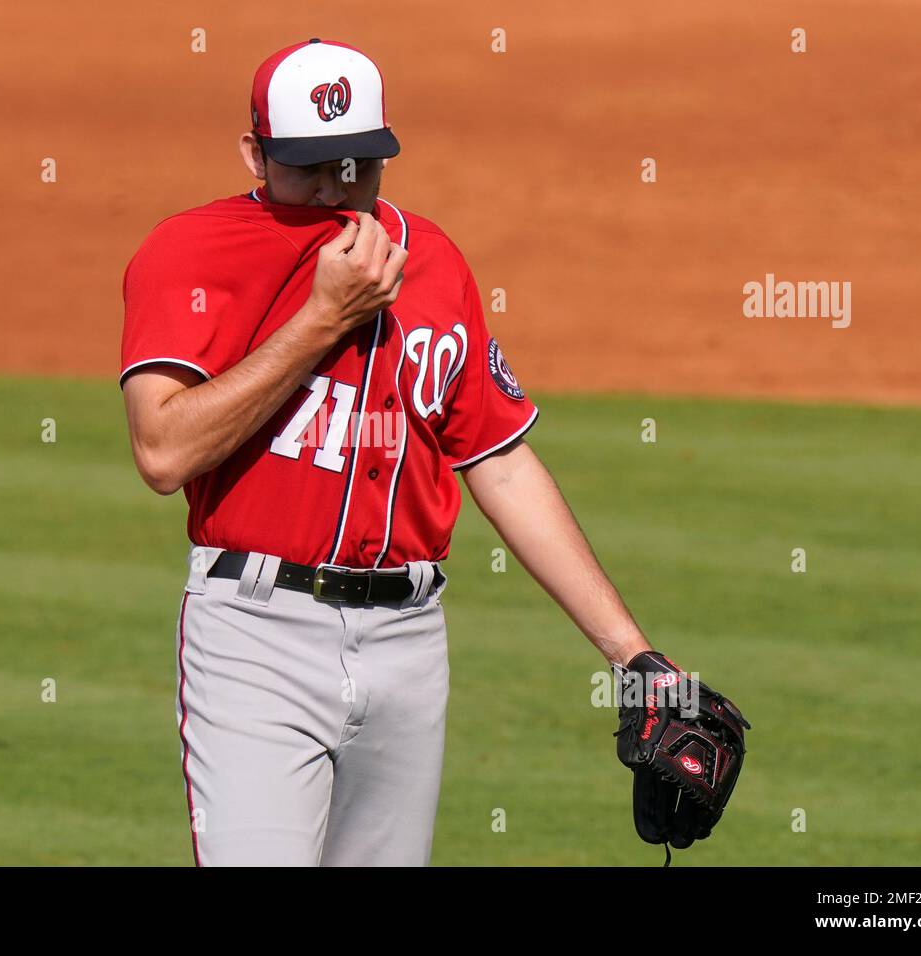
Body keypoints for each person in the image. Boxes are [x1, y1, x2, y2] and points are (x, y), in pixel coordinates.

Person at [119, 38, 653, 866]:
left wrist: (633, 655)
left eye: (358, 165)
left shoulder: (432, 260)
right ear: (254, 154)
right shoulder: (192, 253)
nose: (338, 189)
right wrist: (322, 321)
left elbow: (501, 461)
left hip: (410, 641)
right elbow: (162, 451)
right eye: (310, 167)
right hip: (258, 639)